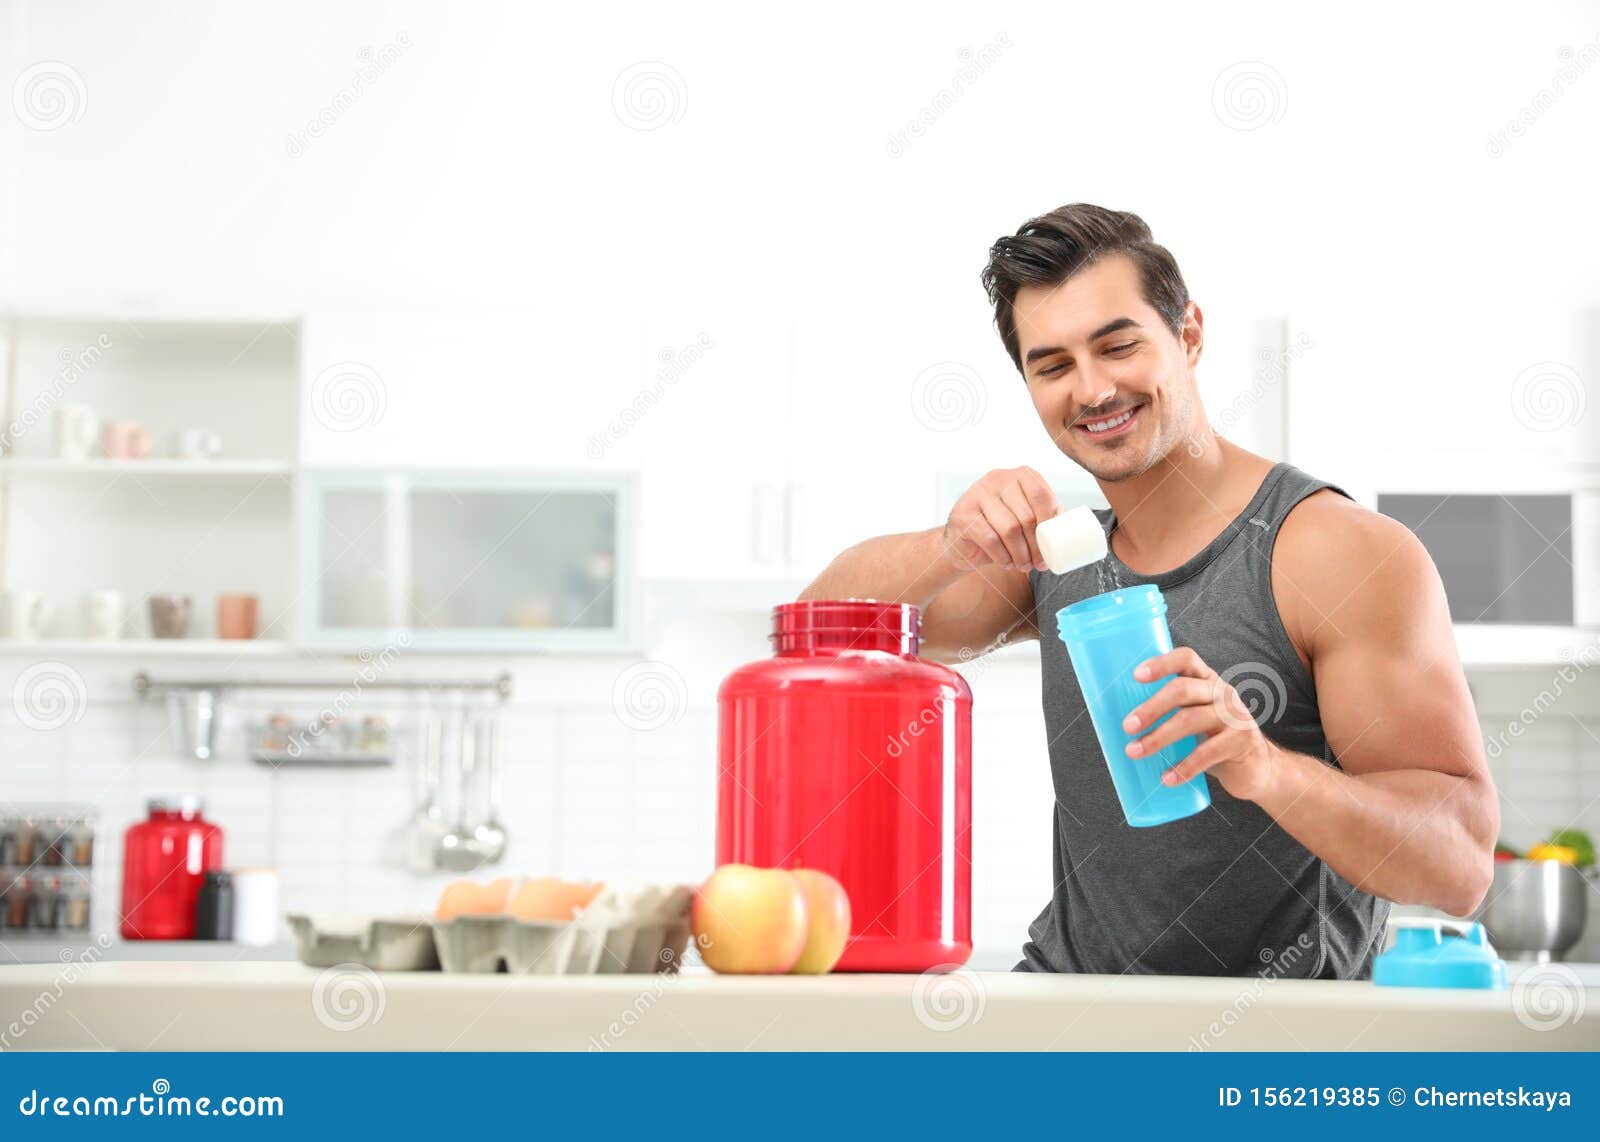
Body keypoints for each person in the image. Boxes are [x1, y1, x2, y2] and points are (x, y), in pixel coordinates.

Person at [799, 203, 1497, 977]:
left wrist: (1266, 769)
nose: (1093, 389)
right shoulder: (1060, 560)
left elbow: (1461, 866)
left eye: (1118, 345)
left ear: (1189, 334)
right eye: (1054, 366)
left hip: (1275, 1050)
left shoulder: (1334, 553)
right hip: (1072, 1027)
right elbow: (817, 638)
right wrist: (947, 547)